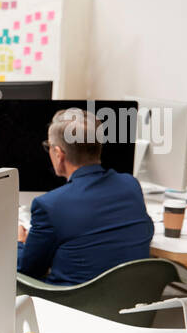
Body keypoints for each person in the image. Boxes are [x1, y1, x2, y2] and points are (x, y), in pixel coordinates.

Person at [17, 108, 154, 285]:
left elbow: (28, 270)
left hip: (68, 306)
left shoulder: (49, 205)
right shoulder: (131, 185)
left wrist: (20, 242)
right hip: (130, 307)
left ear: (59, 154)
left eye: (49, 147)